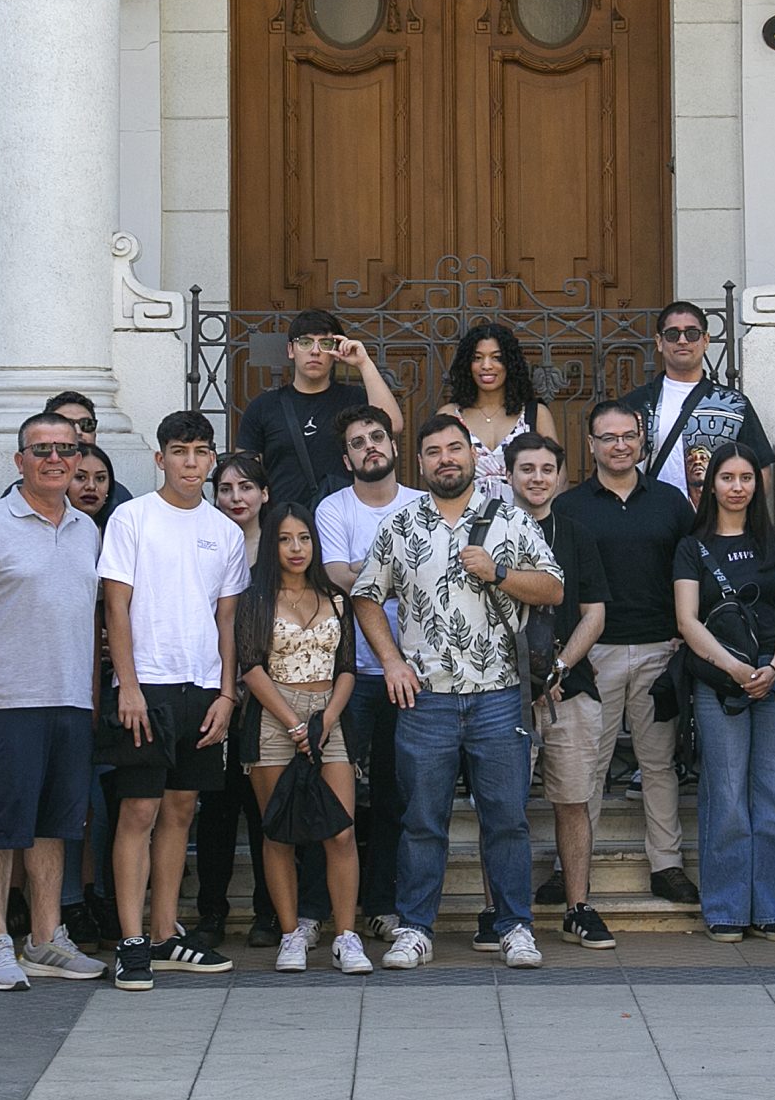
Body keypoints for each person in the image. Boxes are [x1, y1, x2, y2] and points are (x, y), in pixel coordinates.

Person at [355, 414, 564, 970]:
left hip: (498, 692)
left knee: (507, 818)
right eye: (433, 451)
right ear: (418, 461)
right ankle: (415, 929)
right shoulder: (401, 525)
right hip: (426, 698)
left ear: (473, 454)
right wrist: (391, 662)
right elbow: (366, 595)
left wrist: (498, 573)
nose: (445, 458)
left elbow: (553, 586)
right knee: (422, 819)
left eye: (455, 448)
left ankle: (515, 926)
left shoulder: (511, 520)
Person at [0, 412, 110, 992]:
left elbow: (90, 623)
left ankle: (45, 939)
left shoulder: (87, 529)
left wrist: (90, 698)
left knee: (54, 827)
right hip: (5, 702)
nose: (54, 459)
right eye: (41, 449)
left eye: (64, 450)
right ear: (20, 461)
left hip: (68, 702)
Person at [101, 411, 251, 989]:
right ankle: (131, 940)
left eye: (201, 451)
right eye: (180, 451)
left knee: (181, 811)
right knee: (138, 810)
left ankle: (165, 934)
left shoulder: (227, 532)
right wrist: (130, 687)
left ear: (213, 459)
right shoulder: (131, 518)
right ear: (160, 458)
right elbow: (116, 608)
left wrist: (227, 692)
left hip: (203, 690)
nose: (192, 462)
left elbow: (227, 620)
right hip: (147, 688)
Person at [558, 399, 700, 908]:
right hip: (594, 654)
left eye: (628, 436)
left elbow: (692, 570)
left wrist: (688, 635)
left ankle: (667, 864)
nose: (620, 446)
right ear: (591, 444)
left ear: (642, 441)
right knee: (587, 765)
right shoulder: (570, 507)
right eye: (608, 437)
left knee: (659, 764)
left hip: (661, 648)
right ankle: (571, 868)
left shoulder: (671, 502)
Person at [235, 503, 371, 974]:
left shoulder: (335, 596)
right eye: (285, 539)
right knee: (279, 831)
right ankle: (291, 935)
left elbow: (348, 667)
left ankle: (346, 936)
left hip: (329, 715)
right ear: (272, 545)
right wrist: (291, 720)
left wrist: (328, 717)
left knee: (342, 829)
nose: (296, 549)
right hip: (274, 715)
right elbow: (249, 665)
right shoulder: (256, 597)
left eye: (304, 538)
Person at [676, 441, 775, 944]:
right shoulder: (693, 546)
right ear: (712, 486)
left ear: (758, 484)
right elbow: (686, 619)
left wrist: (772, 665)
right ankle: (727, 907)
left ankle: (772, 907)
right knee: (726, 795)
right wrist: (733, 667)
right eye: (726, 478)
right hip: (719, 678)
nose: (736, 487)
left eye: (745, 478)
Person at [313, 405, 423, 936]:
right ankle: (322, 912)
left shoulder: (423, 505)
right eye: (358, 442)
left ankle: (384, 906)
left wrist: (369, 573)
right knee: (336, 798)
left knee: (395, 797)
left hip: (416, 676)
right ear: (347, 456)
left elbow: (363, 576)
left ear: (394, 445)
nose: (370, 447)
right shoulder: (334, 509)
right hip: (349, 675)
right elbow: (336, 574)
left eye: (377, 437)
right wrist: (398, 571)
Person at [505, 433, 613, 948]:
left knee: (573, 801)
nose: (537, 478)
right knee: (503, 806)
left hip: (569, 690)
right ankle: (500, 913)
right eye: (527, 469)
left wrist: (560, 669)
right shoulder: (489, 535)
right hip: (502, 695)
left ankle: (577, 907)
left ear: (561, 476)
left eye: (547, 469)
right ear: (508, 476)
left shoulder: (579, 534)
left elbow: (594, 612)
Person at [194, 452, 301, 948]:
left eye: (245, 488)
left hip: (268, 698)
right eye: (226, 489)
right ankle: (211, 914)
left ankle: (267, 913)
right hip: (216, 694)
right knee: (216, 813)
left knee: (266, 812)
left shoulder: (279, 549)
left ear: (264, 494)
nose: (236, 498)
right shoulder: (205, 542)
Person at [236, 312, 405, 508]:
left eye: (325, 344)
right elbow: (245, 473)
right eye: (305, 343)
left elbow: (392, 425)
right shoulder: (263, 407)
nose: (315, 351)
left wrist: (363, 363)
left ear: (336, 351)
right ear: (291, 350)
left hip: (343, 520)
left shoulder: (353, 400)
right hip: (283, 523)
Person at [620, 300, 773, 503]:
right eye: (673, 334)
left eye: (692, 333)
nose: (682, 340)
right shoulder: (635, 404)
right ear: (659, 342)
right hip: (651, 521)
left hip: (714, 523)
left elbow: (760, 466)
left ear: (706, 340)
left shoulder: (734, 404)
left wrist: (741, 519)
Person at [437, 321, 559, 500]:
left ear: (510, 363)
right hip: (464, 522)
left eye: (496, 357)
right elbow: (436, 473)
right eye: (477, 358)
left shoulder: (536, 414)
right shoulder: (450, 415)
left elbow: (557, 475)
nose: (486, 365)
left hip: (525, 521)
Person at [46, 392, 134, 517]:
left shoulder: (119, 498)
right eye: (66, 424)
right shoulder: (26, 493)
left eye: (86, 425)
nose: (78, 432)